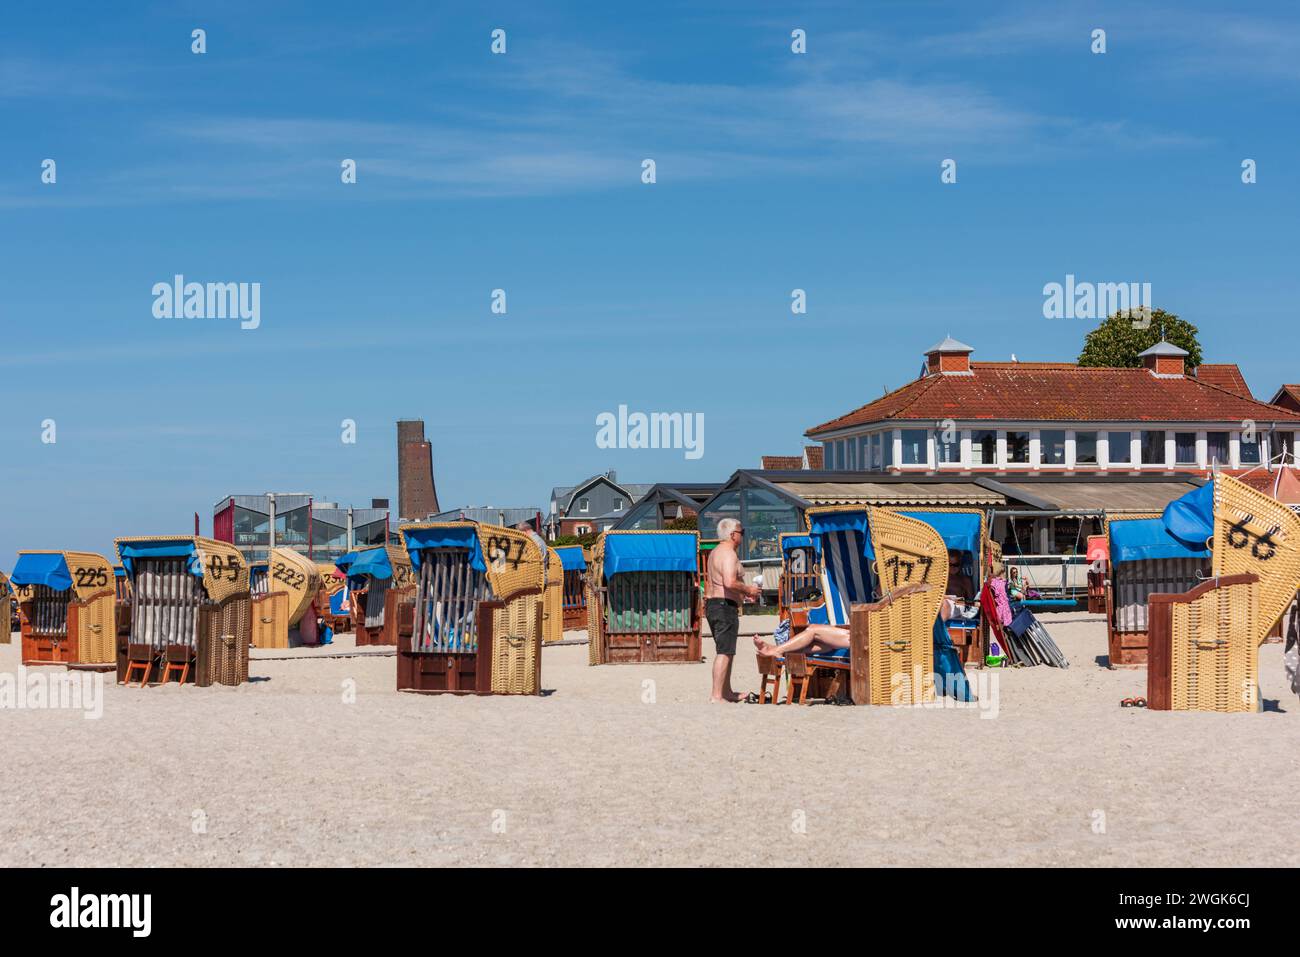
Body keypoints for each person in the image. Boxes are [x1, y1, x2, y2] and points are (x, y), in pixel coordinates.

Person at [705, 518, 761, 702]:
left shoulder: (714, 553)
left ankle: (726, 691)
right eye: (741, 532)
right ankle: (716, 695)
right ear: (732, 535)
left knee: (726, 650)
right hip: (723, 606)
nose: (743, 536)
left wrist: (743, 595)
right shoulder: (729, 554)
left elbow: (722, 583)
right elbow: (729, 582)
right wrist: (749, 590)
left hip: (715, 605)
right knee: (724, 651)